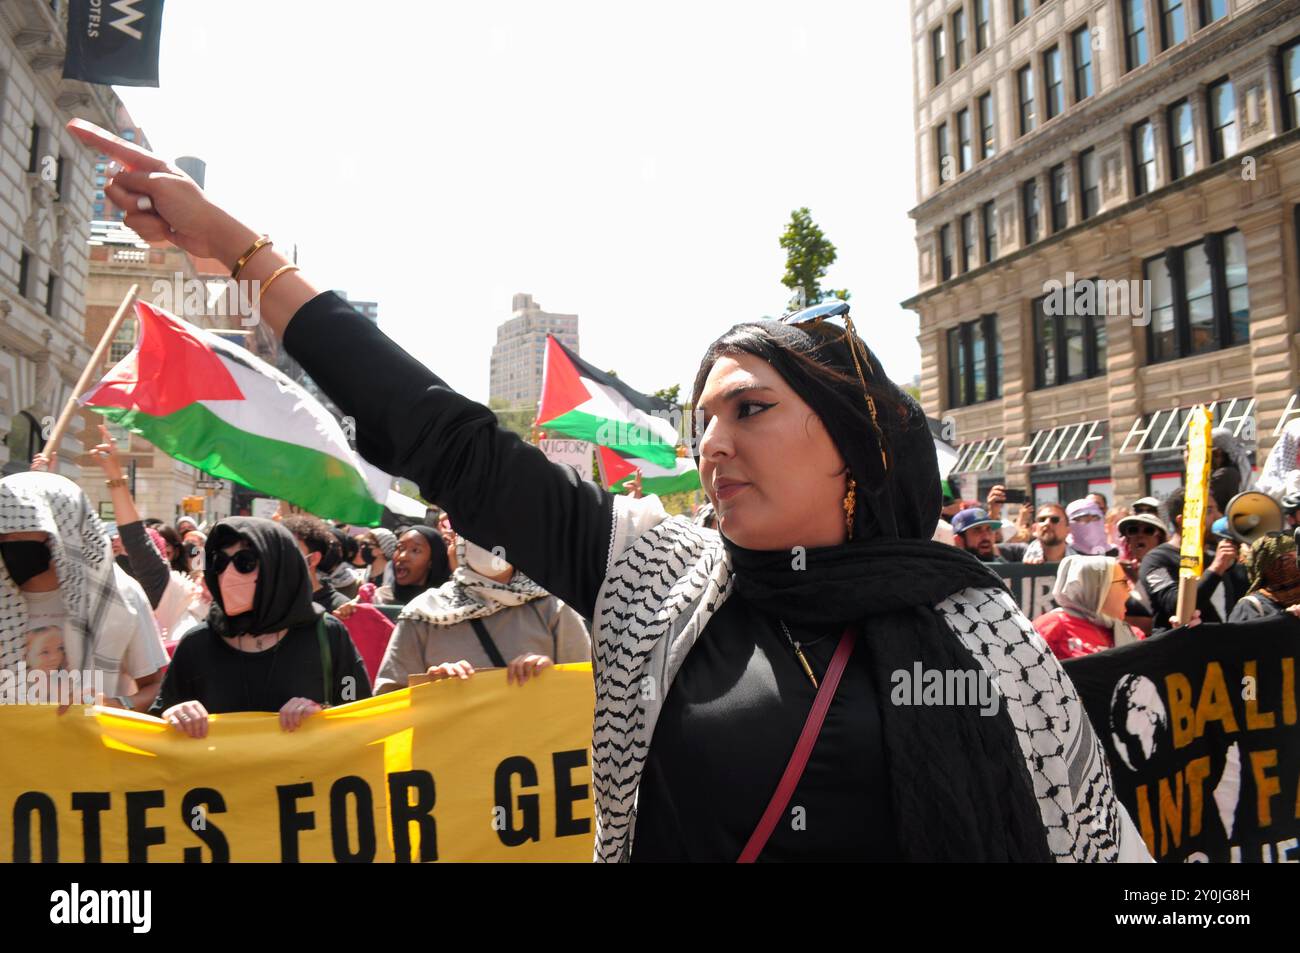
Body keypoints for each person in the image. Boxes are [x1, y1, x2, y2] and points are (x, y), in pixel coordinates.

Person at [75, 118, 1149, 862]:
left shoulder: (982, 635)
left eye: (752, 409)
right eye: (705, 416)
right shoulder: (660, 577)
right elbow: (444, 437)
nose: (715, 442)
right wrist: (238, 251)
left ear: (854, 445)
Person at [150, 517, 371, 735]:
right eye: (219, 562)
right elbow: (160, 714)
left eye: (244, 562)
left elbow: (353, 699)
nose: (227, 574)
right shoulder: (196, 644)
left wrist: (323, 711)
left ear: (278, 567)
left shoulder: (328, 634)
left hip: (306, 771)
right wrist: (174, 712)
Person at [0, 471, 168, 710]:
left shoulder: (121, 596)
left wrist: (116, 705)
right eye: (3, 529)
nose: (8, 537)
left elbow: (158, 687)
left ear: (62, 527)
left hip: (89, 746)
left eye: (20, 527)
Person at [374, 537, 590, 692]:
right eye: (476, 527)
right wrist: (429, 688)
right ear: (459, 543)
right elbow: (387, 702)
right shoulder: (423, 613)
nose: (490, 538)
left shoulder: (552, 606)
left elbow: (591, 688)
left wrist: (553, 675)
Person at [1138, 486, 1246, 631]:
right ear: (1183, 521)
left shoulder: (1215, 556)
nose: (1219, 516)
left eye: (1217, 509)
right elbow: (1174, 605)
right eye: (1209, 511)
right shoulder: (1156, 560)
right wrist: (1217, 568)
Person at [1033, 556, 1144, 660]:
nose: (1129, 590)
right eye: (1124, 582)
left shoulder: (1133, 634)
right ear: (1098, 586)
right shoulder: (1051, 625)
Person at [281, 514, 350, 611]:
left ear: (313, 559)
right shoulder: (270, 602)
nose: (280, 557)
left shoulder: (341, 609)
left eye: (290, 550)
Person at [370, 526, 452, 606]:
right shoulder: (377, 599)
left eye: (415, 550)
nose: (402, 557)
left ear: (432, 561)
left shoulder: (447, 604)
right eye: (400, 548)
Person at [1228, 533, 1300, 622]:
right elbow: (1238, 635)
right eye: (1286, 560)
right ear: (1267, 569)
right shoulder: (1250, 606)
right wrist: (1284, 619)